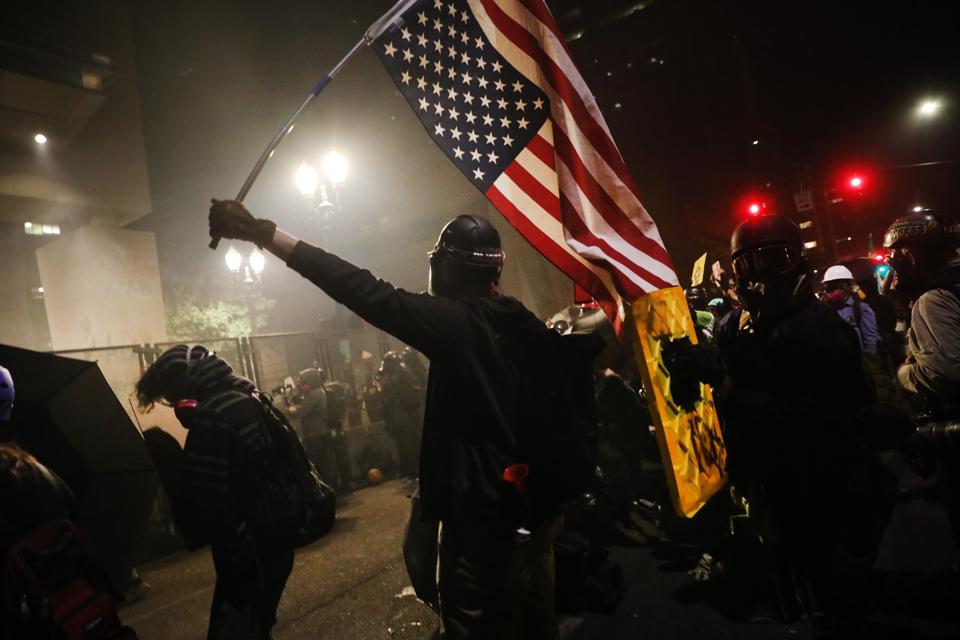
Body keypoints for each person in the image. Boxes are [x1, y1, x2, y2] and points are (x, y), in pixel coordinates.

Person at [209, 200, 576, 639]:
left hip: (485, 520)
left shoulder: (455, 323)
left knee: (476, 626)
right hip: (538, 510)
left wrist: (265, 233)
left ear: (446, 268)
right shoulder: (522, 320)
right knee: (537, 625)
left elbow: (360, 288)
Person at [675, 215, 883, 636]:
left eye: (775, 260)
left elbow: (816, 417)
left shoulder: (819, 329)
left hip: (824, 477)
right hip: (771, 474)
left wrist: (725, 383)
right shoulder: (739, 326)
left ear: (799, 263)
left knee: (833, 583)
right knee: (787, 565)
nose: (759, 278)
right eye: (746, 266)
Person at [135, 345, 296, 640]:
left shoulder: (213, 415)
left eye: (172, 395)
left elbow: (212, 500)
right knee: (259, 625)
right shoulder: (247, 397)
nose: (174, 402)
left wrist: (175, 464)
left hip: (246, 548)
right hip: (277, 531)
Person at [882, 211, 960, 542]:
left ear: (910, 255)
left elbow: (945, 372)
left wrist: (904, 374)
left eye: (893, 258)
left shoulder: (934, 299)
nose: (891, 269)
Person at [378, 352, 422, 479]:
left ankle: (406, 472)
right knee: (410, 444)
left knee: (402, 446)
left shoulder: (386, 378)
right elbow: (416, 383)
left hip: (396, 418)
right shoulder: (401, 373)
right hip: (406, 415)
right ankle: (412, 471)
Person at [288, 367, 333, 482]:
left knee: (318, 464)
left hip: (315, 434)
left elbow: (302, 412)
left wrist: (290, 410)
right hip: (318, 432)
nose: (302, 386)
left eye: (304, 383)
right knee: (323, 463)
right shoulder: (317, 393)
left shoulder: (315, 394)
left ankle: (326, 487)